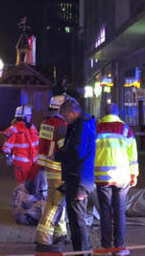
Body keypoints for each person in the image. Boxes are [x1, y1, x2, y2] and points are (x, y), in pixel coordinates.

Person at [95, 103, 138, 254]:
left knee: (105, 211)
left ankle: (106, 245)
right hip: (122, 177)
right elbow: (133, 155)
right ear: (117, 112)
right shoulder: (125, 129)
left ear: (104, 113)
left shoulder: (97, 128)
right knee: (119, 211)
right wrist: (134, 174)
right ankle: (119, 247)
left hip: (102, 178)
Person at [56, 97, 96, 254]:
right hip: (77, 177)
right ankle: (80, 250)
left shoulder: (82, 126)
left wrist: (59, 155)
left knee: (77, 219)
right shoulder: (79, 125)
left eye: (65, 116)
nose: (65, 120)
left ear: (73, 112)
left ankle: (83, 252)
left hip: (79, 178)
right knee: (75, 219)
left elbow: (77, 151)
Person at [36, 95, 70, 251]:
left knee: (58, 201)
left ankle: (60, 233)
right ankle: (43, 239)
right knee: (54, 204)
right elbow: (64, 149)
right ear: (61, 108)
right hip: (58, 168)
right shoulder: (61, 124)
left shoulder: (46, 122)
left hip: (49, 168)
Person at [2, 105, 39, 185]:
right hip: (22, 165)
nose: (30, 117)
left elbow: (37, 144)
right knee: (23, 187)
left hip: (34, 163)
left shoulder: (32, 128)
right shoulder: (14, 130)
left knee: (32, 187)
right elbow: (7, 146)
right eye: (29, 116)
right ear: (23, 117)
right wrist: (8, 157)